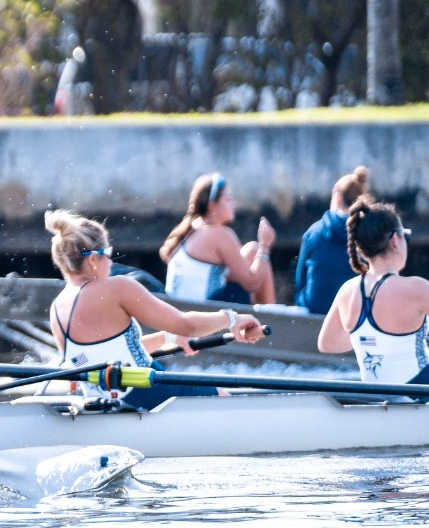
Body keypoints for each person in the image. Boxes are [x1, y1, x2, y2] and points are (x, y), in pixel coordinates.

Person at [46, 209, 265, 410]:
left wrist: (167, 338)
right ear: (94, 259)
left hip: (100, 402)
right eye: (108, 253)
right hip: (145, 391)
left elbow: (108, 355)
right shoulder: (116, 287)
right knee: (227, 400)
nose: (111, 262)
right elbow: (187, 325)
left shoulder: (56, 308)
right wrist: (231, 318)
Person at [316, 197, 429, 385]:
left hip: (375, 398)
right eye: (405, 236)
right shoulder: (416, 288)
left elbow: (327, 344)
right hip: (419, 398)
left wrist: (373, 340)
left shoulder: (348, 291)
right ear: (394, 240)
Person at [161, 172, 276, 305]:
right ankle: (272, 317)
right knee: (257, 251)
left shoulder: (190, 229)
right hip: (202, 315)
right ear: (213, 206)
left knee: (251, 252)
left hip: (180, 311)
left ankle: (269, 315)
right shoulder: (220, 234)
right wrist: (265, 245)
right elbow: (252, 284)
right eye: (228, 199)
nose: (234, 203)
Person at [295, 166, 373, 314]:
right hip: (355, 316)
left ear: (337, 198)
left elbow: (300, 282)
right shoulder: (371, 235)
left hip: (315, 314)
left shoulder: (313, 233)